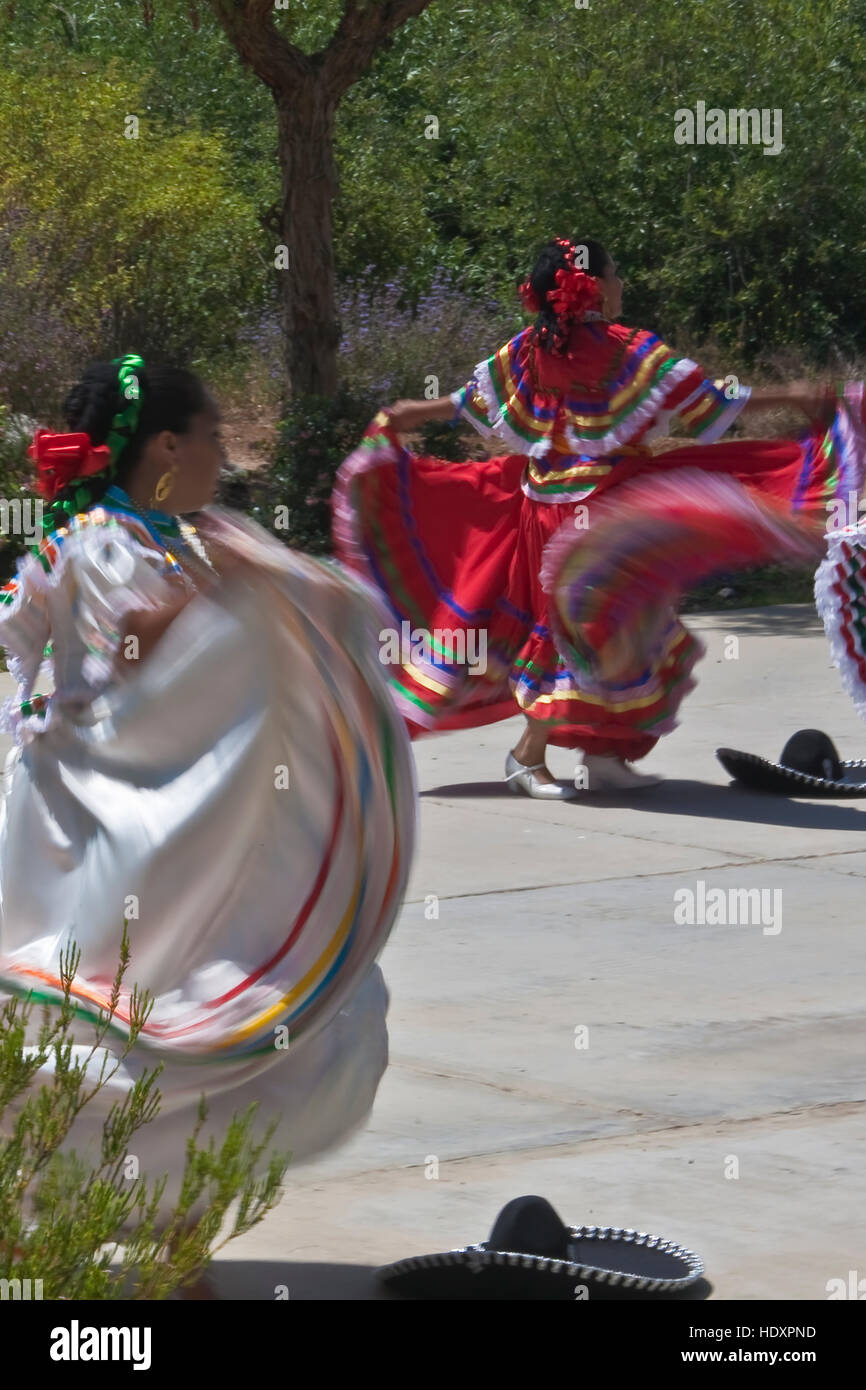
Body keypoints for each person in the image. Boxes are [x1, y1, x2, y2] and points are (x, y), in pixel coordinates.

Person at [0, 354, 416, 1293]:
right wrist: (217, 593)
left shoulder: (182, 536)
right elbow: (119, 661)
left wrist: (258, 592)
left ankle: (170, 1240)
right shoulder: (102, 541)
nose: (225, 454)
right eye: (216, 436)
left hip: (170, 825)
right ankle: (52, 1229)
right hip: (110, 834)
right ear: (165, 444)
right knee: (145, 1036)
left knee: (205, 1038)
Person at [333, 237, 864, 795]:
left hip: (547, 510)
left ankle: (601, 755)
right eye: (614, 274)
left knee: (615, 630)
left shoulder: (530, 350)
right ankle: (527, 757)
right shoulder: (627, 350)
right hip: (600, 513)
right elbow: (708, 407)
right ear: (590, 286)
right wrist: (797, 397)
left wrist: (408, 412)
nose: (621, 284)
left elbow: (472, 401)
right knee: (590, 635)